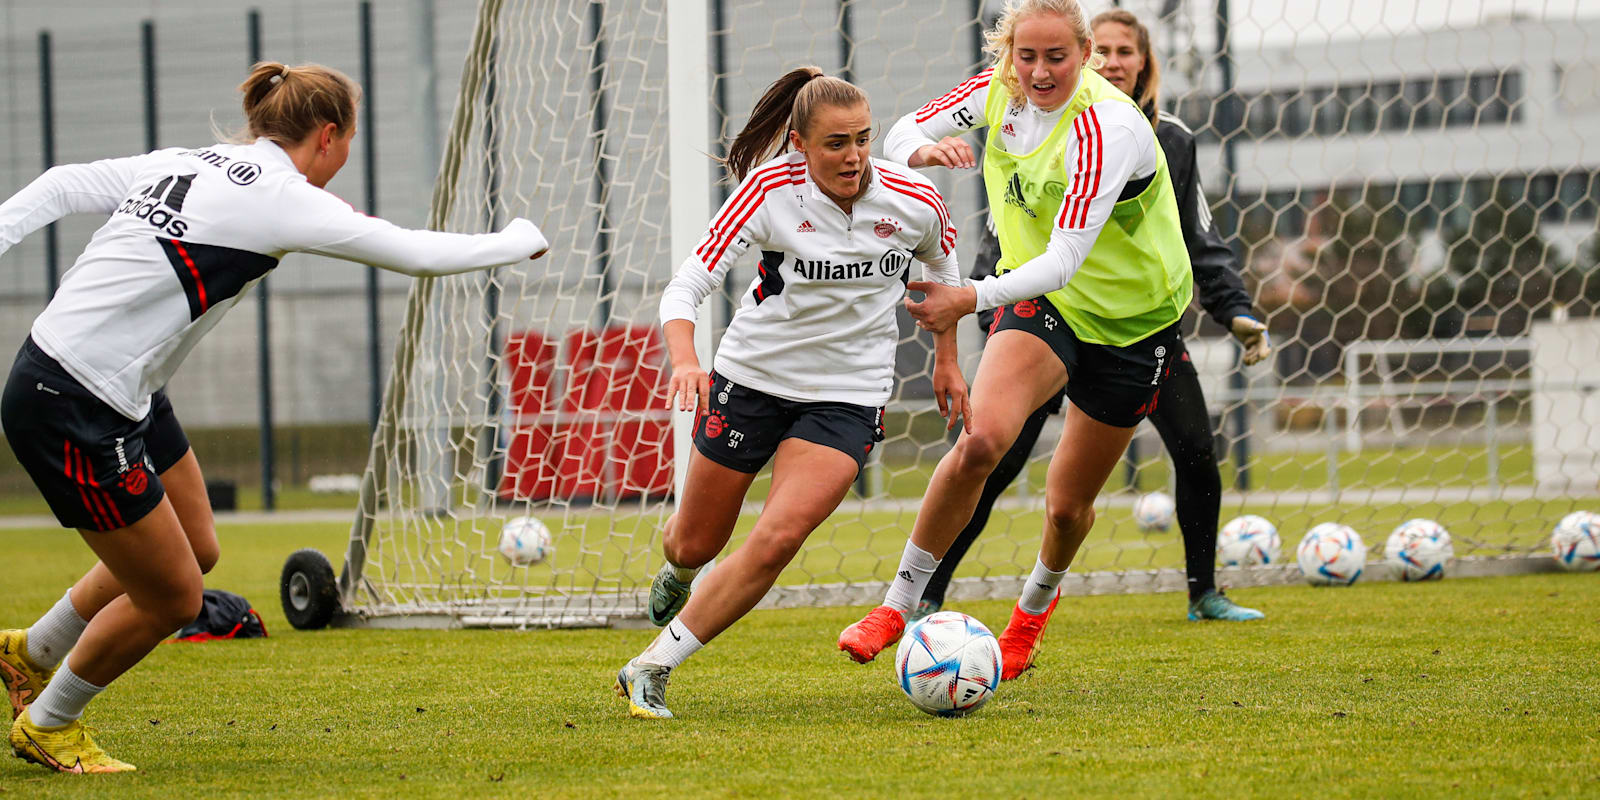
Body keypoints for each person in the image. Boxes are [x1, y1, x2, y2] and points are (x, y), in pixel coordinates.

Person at [0, 61, 549, 773]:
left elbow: (60, 182)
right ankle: (51, 722)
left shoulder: (189, 161)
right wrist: (517, 239)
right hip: (73, 400)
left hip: (112, 383)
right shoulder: (283, 198)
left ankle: (31, 652)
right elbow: (416, 253)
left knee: (196, 544)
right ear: (328, 136)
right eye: (348, 140)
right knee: (173, 596)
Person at [836, 0, 1199, 679]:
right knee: (981, 443)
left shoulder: (1108, 126)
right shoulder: (996, 88)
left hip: (1132, 322)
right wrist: (918, 150)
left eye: (1055, 57)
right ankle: (895, 606)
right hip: (1043, 302)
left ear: (1085, 55)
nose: (1036, 72)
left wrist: (966, 297)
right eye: (1024, 56)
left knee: (1067, 507)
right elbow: (903, 129)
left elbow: (1065, 256)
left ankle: (1028, 618)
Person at [614, 67, 969, 720]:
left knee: (778, 538)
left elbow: (942, 273)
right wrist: (687, 361)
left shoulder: (915, 199)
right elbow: (685, 286)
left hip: (849, 395)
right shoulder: (769, 189)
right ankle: (681, 570)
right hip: (751, 381)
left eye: (862, 138)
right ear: (800, 144)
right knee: (695, 542)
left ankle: (651, 667)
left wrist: (947, 360)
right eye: (836, 143)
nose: (855, 156)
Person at [906, 8, 1272, 624]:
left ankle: (1203, 592)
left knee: (1195, 454)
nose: (1111, 60)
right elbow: (1011, 219)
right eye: (1101, 48)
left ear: (1141, 61)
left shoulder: (1167, 137)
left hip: (1137, 325)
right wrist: (983, 296)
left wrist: (1234, 308)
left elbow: (1196, 235)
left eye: (1124, 50)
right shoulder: (1023, 117)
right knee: (991, 452)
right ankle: (925, 593)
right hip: (1048, 311)